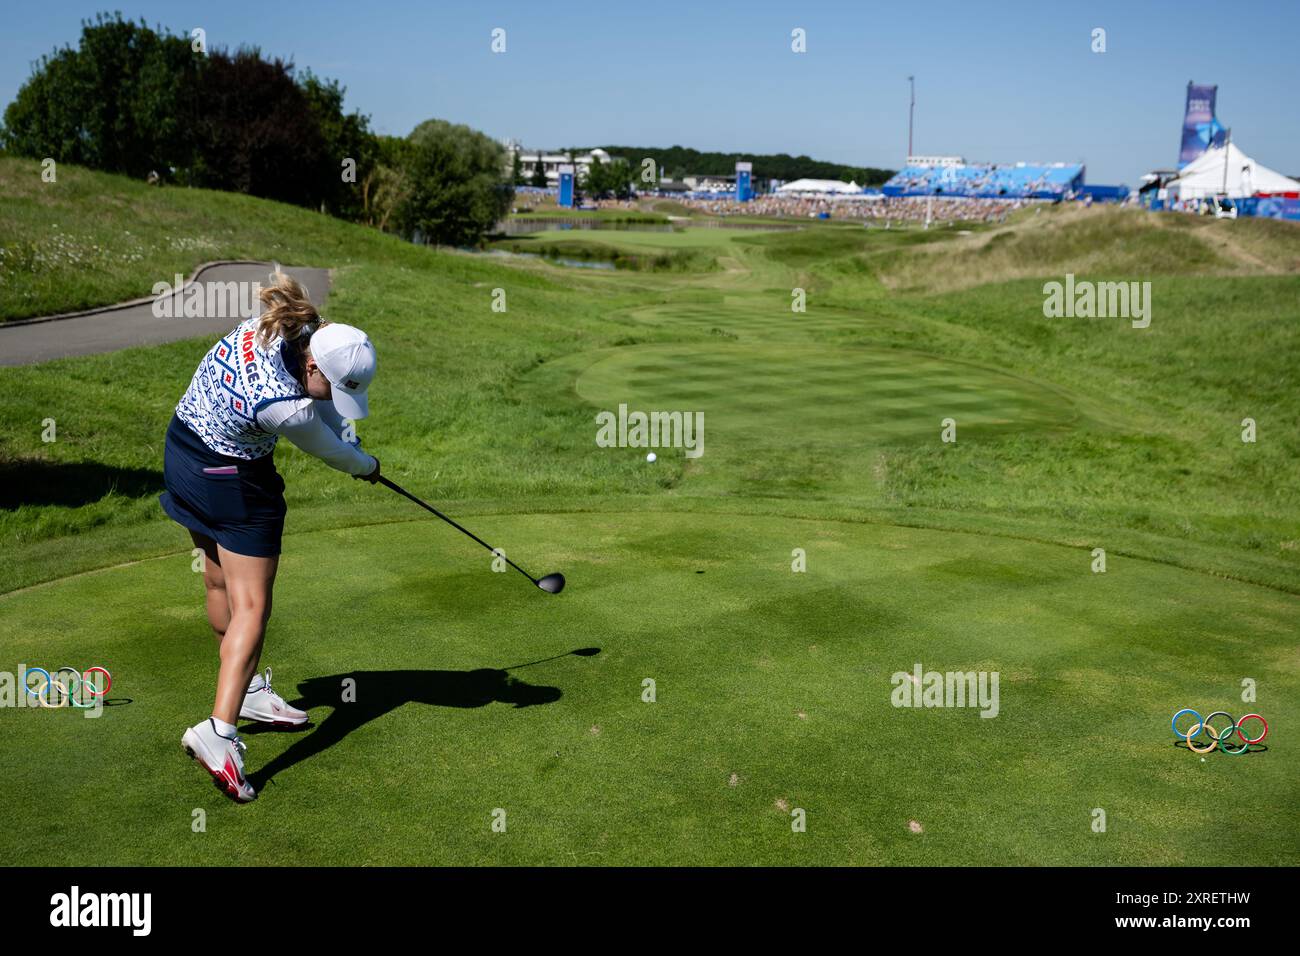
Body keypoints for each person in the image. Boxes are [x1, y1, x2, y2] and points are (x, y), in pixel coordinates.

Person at [160, 269, 380, 802]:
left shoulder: (284, 328)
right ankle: (218, 733)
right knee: (253, 605)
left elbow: (324, 409)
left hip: (184, 453)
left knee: (219, 582)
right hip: (231, 479)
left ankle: (250, 693)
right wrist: (367, 464)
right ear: (311, 365)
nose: (334, 397)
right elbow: (330, 447)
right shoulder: (284, 404)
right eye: (334, 386)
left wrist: (343, 426)